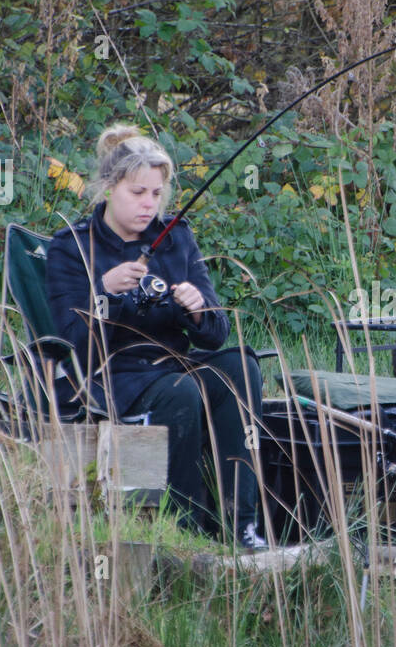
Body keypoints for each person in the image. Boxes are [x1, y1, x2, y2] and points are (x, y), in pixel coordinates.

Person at [46, 124, 267, 550]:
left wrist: (197, 308)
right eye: (138, 192)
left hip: (175, 363)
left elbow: (216, 335)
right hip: (115, 375)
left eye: (156, 193)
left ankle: (242, 527)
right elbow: (72, 347)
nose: (149, 204)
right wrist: (102, 293)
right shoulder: (70, 247)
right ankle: (186, 533)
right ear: (110, 187)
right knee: (182, 392)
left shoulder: (175, 238)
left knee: (240, 367)